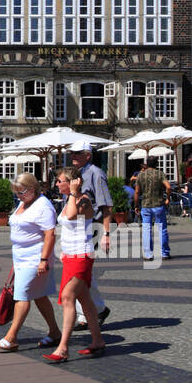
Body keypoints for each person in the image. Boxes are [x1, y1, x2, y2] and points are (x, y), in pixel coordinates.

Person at [0, 174, 60, 352]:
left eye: (21, 192)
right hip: (21, 257)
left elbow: (50, 235)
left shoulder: (43, 206)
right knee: (39, 295)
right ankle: (54, 332)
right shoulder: (25, 202)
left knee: (22, 295)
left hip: (35, 257)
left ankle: (11, 337)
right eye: (16, 193)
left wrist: (44, 260)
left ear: (31, 189)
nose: (18, 196)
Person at [44, 167, 105, 362]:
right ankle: (97, 340)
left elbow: (71, 216)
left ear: (72, 182)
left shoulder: (84, 200)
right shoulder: (69, 200)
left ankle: (62, 348)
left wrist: (73, 192)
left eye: (60, 180)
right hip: (71, 255)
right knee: (85, 300)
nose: (56, 184)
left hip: (81, 256)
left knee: (67, 296)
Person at [69, 141, 111, 328]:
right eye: (72, 153)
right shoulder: (76, 175)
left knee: (79, 271)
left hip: (91, 228)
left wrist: (107, 233)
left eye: (78, 153)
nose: (73, 156)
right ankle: (92, 311)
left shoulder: (96, 173)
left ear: (88, 155)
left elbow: (106, 205)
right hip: (75, 228)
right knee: (80, 272)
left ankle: (91, 312)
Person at [134, 159, 170, 258]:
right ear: (156, 164)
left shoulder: (141, 175)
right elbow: (168, 187)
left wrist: (136, 205)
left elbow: (137, 192)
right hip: (158, 204)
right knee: (161, 229)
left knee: (146, 229)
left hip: (146, 205)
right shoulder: (160, 174)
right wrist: (168, 198)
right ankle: (164, 253)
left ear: (146, 164)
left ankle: (148, 254)